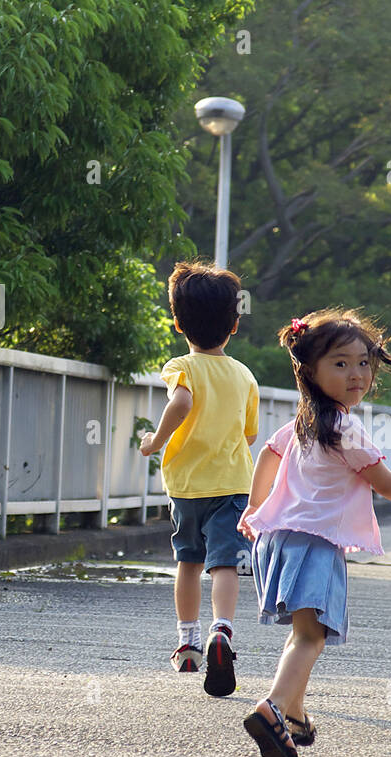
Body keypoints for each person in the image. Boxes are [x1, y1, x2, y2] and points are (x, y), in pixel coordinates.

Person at [236, 308, 391, 757]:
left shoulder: (304, 422)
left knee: (305, 631)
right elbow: (381, 481)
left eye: (364, 363)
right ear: (310, 370)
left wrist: (254, 506)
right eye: (341, 364)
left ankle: (296, 717)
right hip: (314, 544)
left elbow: (267, 456)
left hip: (279, 540)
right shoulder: (345, 427)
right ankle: (271, 708)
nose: (357, 374)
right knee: (311, 636)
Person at [139, 261, 258, 698]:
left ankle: (188, 644)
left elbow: (181, 403)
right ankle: (221, 632)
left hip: (187, 485)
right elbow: (249, 434)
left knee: (188, 562)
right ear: (234, 324)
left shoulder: (180, 366)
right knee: (225, 564)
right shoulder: (244, 375)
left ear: (177, 323)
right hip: (233, 485)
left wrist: (155, 441)